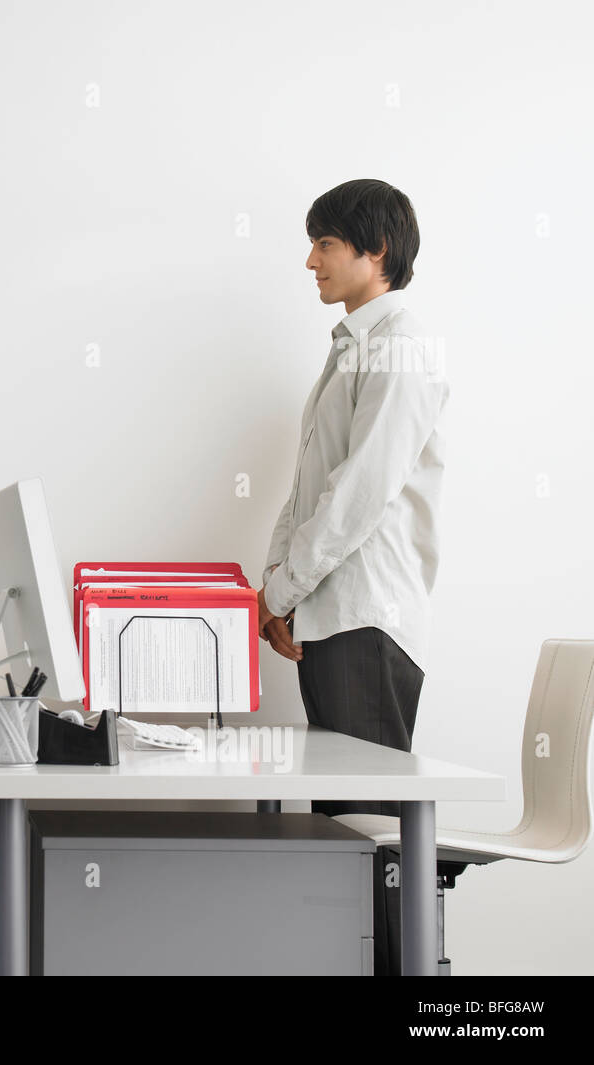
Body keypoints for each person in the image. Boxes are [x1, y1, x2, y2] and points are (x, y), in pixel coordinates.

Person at [257, 178, 448, 975]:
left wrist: (279, 592)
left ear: (376, 251)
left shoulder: (400, 344)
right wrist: (273, 585)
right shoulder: (356, 347)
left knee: (371, 842)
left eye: (326, 244)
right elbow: (312, 487)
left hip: (365, 622)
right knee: (346, 836)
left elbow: (360, 492)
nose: (311, 261)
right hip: (334, 620)